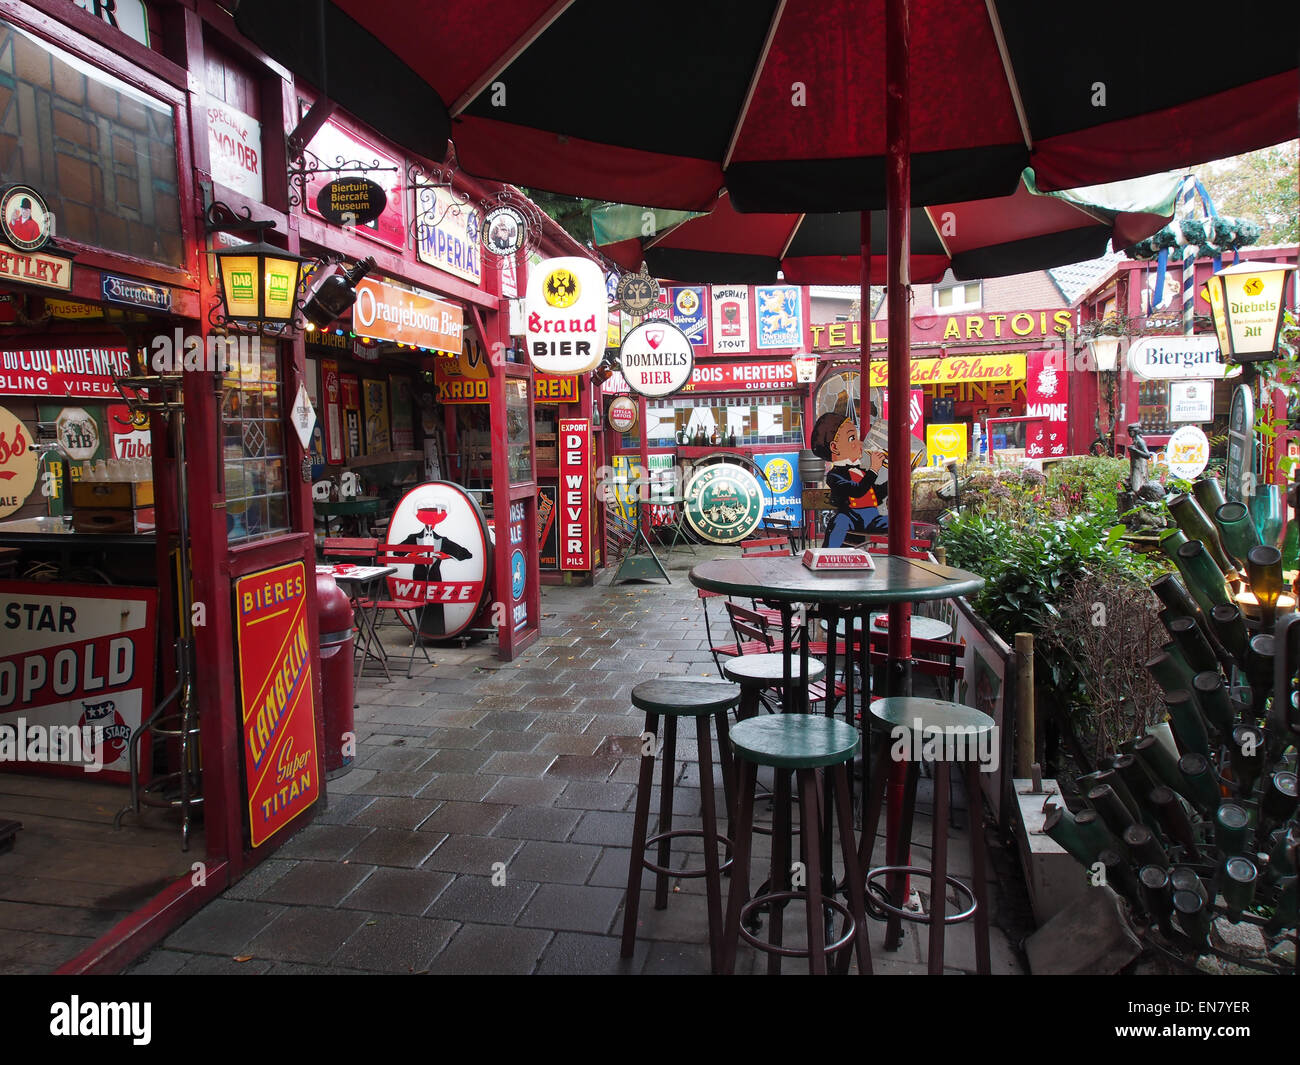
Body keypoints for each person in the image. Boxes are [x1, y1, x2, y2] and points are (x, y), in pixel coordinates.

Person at [810, 411, 888, 548]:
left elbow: (877, 493)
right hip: (850, 518)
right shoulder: (834, 475)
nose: (860, 444)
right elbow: (856, 491)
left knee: (903, 525)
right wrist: (874, 469)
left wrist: (894, 478)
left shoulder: (863, 472)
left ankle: (912, 553)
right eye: (852, 438)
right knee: (839, 523)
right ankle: (829, 555)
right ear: (834, 447)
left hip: (872, 518)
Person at [397, 506, 473, 636]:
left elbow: (467, 554)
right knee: (419, 607)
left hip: (435, 578)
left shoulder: (442, 540)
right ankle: (421, 631)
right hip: (418, 577)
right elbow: (396, 551)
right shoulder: (413, 537)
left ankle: (437, 631)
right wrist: (411, 555)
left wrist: (447, 556)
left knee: (436, 608)